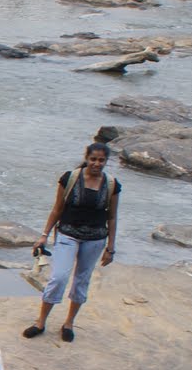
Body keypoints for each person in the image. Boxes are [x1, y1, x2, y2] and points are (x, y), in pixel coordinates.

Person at [25, 142, 120, 343]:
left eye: (101, 160)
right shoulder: (70, 178)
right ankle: (40, 322)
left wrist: (110, 248)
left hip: (95, 239)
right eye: (93, 159)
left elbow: (112, 217)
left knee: (81, 281)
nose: (96, 163)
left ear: (106, 161)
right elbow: (57, 209)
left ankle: (69, 323)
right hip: (67, 234)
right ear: (86, 158)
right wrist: (44, 235)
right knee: (58, 277)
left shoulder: (111, 185)